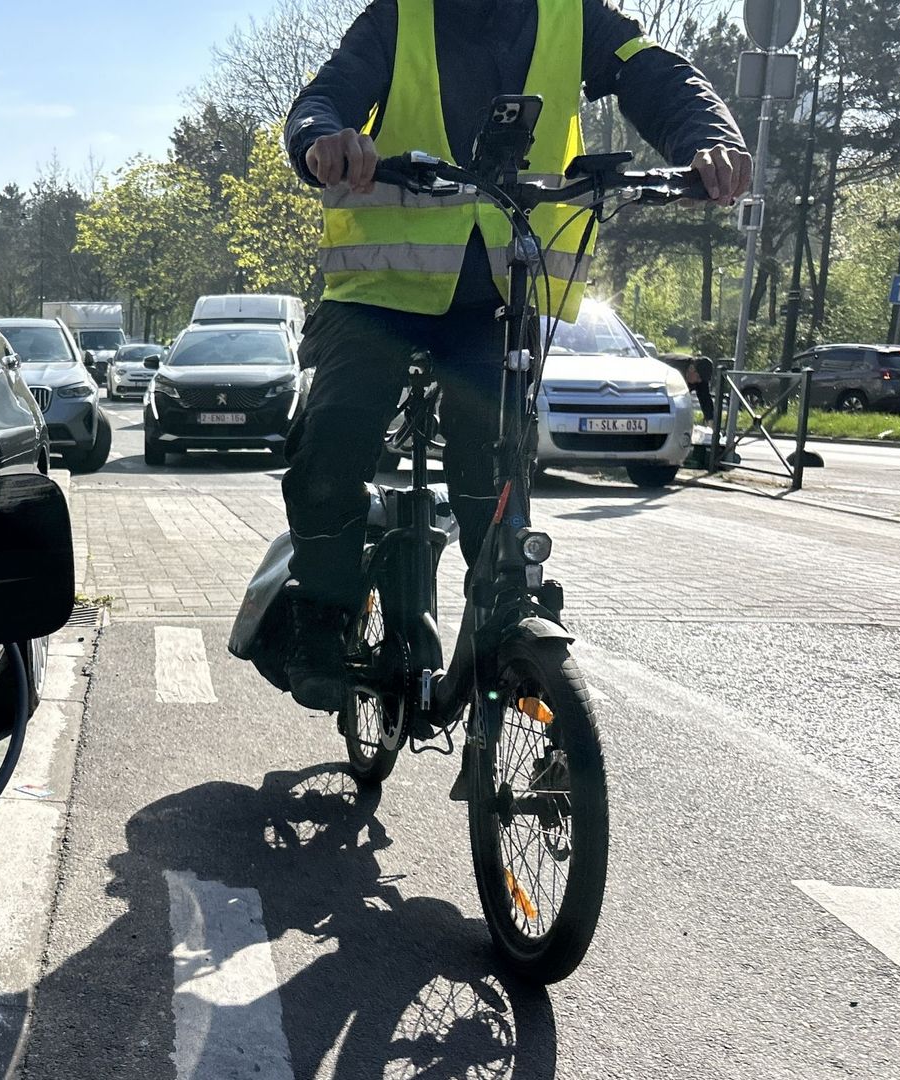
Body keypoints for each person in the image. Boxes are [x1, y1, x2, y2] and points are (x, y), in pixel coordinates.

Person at [280, 0, 752, 709]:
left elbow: (655, 73)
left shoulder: (576, 17)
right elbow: (327, 94)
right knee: (334, 442)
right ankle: (324, 618)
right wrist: (322, 138)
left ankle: (505, 620)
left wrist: (708, 139)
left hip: (498, 296)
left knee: (494, 463)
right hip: (378, 295)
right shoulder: (401, 17)